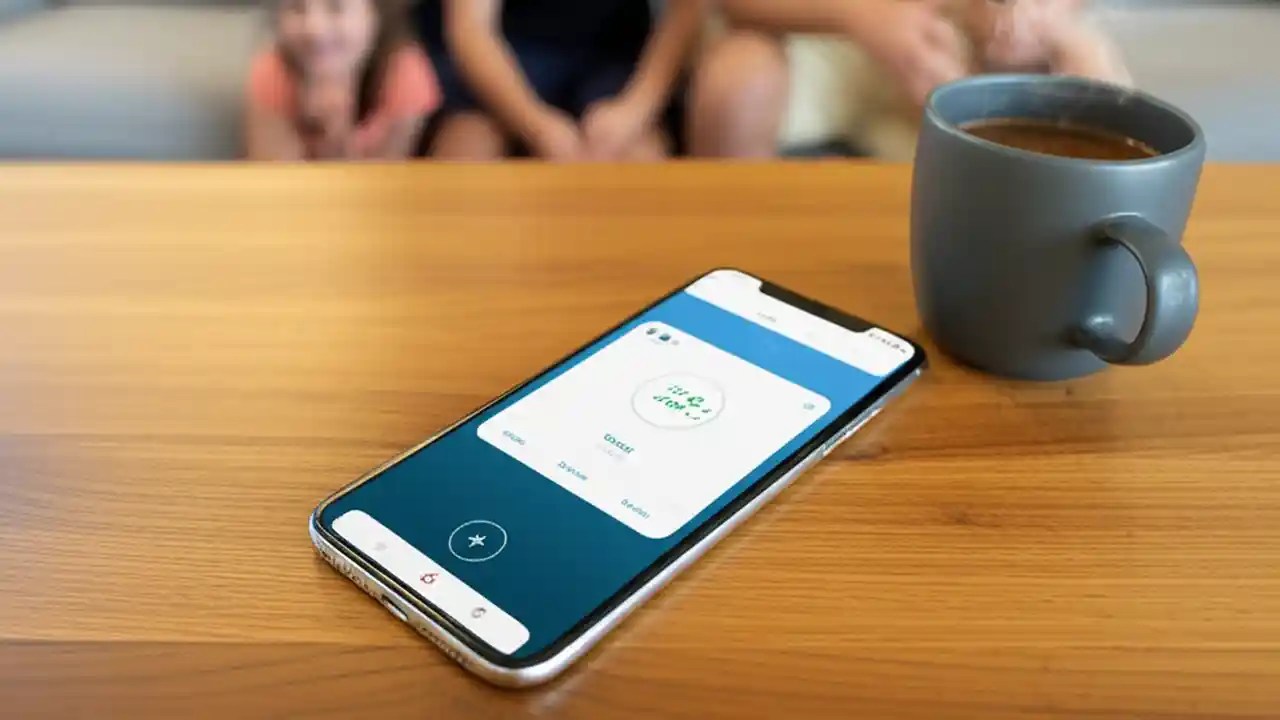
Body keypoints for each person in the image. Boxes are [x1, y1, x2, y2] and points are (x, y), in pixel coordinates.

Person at [419, 0, 703, 161]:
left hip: (611, 56)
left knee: (640, 155)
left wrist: (635, 110)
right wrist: (539, 127)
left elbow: (687, 12)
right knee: (470, 147)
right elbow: (471, 30)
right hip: (501, 59)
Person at [688, 0, 967, 158]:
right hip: (810, 37)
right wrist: (859, 14)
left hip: (942, 42)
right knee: (736, 80)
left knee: (969, 107)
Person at [246, 0, 441, 160]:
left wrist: (338, 138)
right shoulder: (272, 71)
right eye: (297, 8)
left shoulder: (404, 74)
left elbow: (387, 183)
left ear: (375, 14)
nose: (314, 28)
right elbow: (275, 179)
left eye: (336, 8)